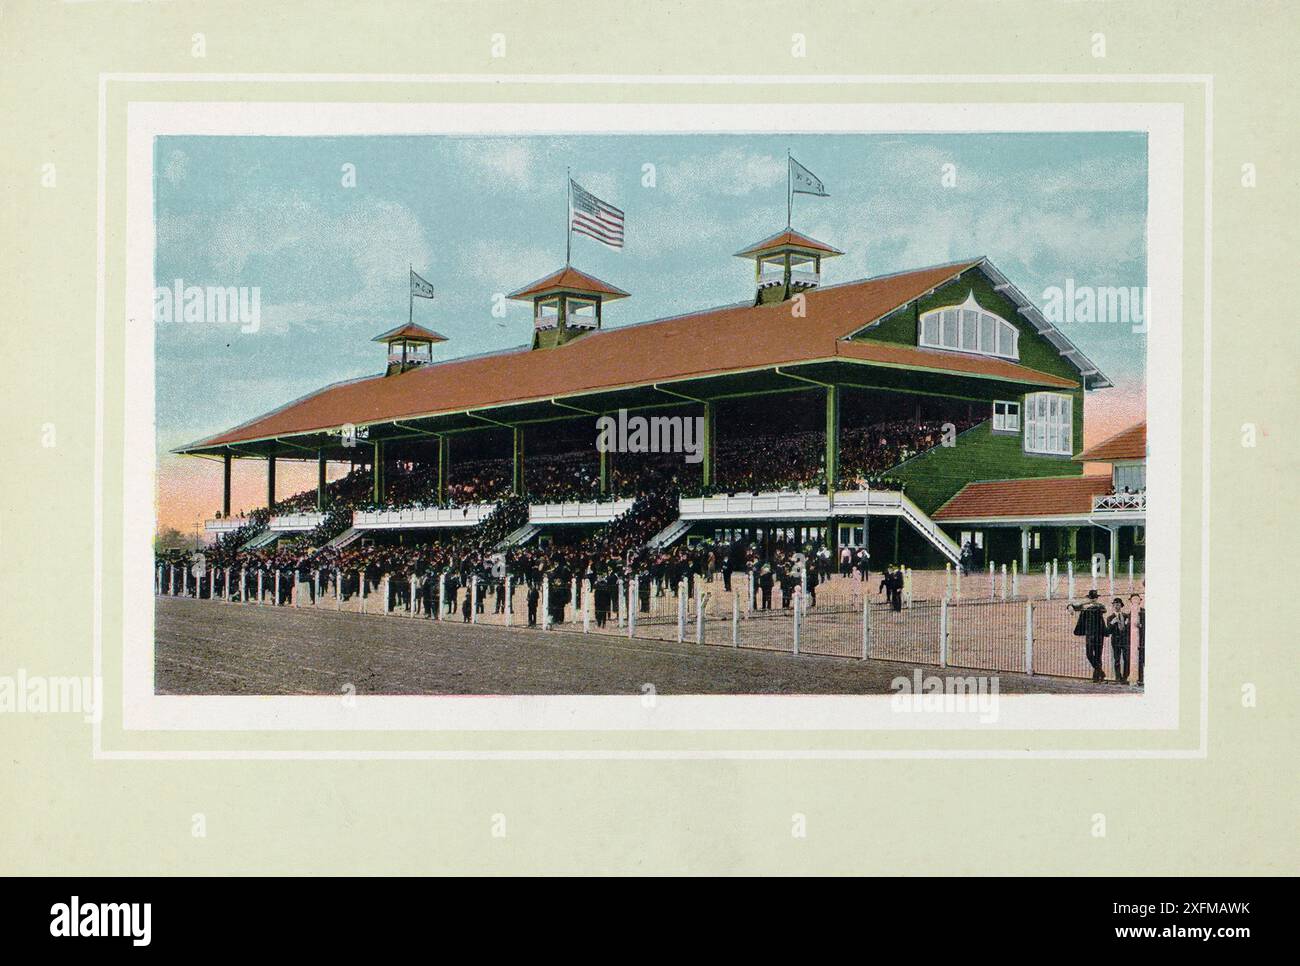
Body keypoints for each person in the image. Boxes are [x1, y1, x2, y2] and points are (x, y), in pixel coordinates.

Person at [1071, 590, 1108, 682]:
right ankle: (1101, 673)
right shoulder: (1084, 606)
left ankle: (1096, 677)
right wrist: (1070, 606)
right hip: (1090, 634)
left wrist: (1088, 606)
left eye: (1095, 598)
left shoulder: (1099, 606)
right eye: (1092, 598)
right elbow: (1073, 606)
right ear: (1089, 598)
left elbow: (1104, 609)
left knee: (1098, 656)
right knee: (1089, 654)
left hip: (1099, 634)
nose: (1094, 599)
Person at [1106, 597, 1132, 684]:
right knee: (1117, 660)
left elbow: (1129, 629)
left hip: (1125, 641)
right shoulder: (1110, 618)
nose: (1116, 606)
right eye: (1115, 604)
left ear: (1121, 606)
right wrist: (1112, 623)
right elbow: (1108, 631)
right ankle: (1118, 678)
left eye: (1118, 604)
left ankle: (1125, 677)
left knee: (1127, 659)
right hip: (1116, 641)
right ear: (1113, 606)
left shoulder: (1126, 616)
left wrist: (1127, 624)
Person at [1129, 590, 1145, 686]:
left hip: (1141, 640)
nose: (1135, 601)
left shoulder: (1143, 612)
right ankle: (1135, 678)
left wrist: (1141, 625)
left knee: (1142, 660)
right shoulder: (1130, 613)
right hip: (1133, 641)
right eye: (1133, 599)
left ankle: (1141, 679)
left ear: (1140, 601)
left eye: (1137, 599)